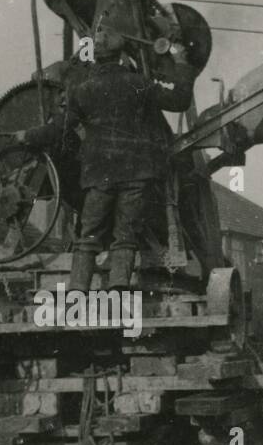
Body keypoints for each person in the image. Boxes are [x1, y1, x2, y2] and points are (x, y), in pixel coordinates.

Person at [16, 27, 193, 292]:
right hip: (137, 173)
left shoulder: (83, 90)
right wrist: (180, 62)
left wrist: (26, 136)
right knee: (126, 236)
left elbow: (57, 130)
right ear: (121, 57)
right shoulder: (139, 83)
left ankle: (78, 289)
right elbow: (179, 100)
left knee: (88, 235)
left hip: (99, 175)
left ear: (96, 58)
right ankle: (119, 288)